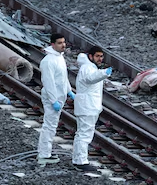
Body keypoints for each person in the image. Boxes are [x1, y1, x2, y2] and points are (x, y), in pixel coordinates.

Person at [73, 47, 113, 172]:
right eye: (97, 56)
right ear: (90, 56)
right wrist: (105, 73)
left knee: (85, 133)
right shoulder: (87, 68)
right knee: (84, 134)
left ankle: (79, 160)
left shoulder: (91, 67)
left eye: (101, 56)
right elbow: (91, 78)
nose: (100, 59)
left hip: (89, 106)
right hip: (87, 107)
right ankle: (80, 162)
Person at [37, 33, 71, 166]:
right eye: (59, 43)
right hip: (53, 97)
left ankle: (46, 152)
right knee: (49, 125)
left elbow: (63, 77)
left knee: (52, 125)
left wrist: (69, 91)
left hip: (59, 95)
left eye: (64, 42)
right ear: (52, 44)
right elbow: (48, 81)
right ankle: (44, 154)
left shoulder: (60, 57)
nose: (63, 45)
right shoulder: (48, 61)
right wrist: (53, 100)